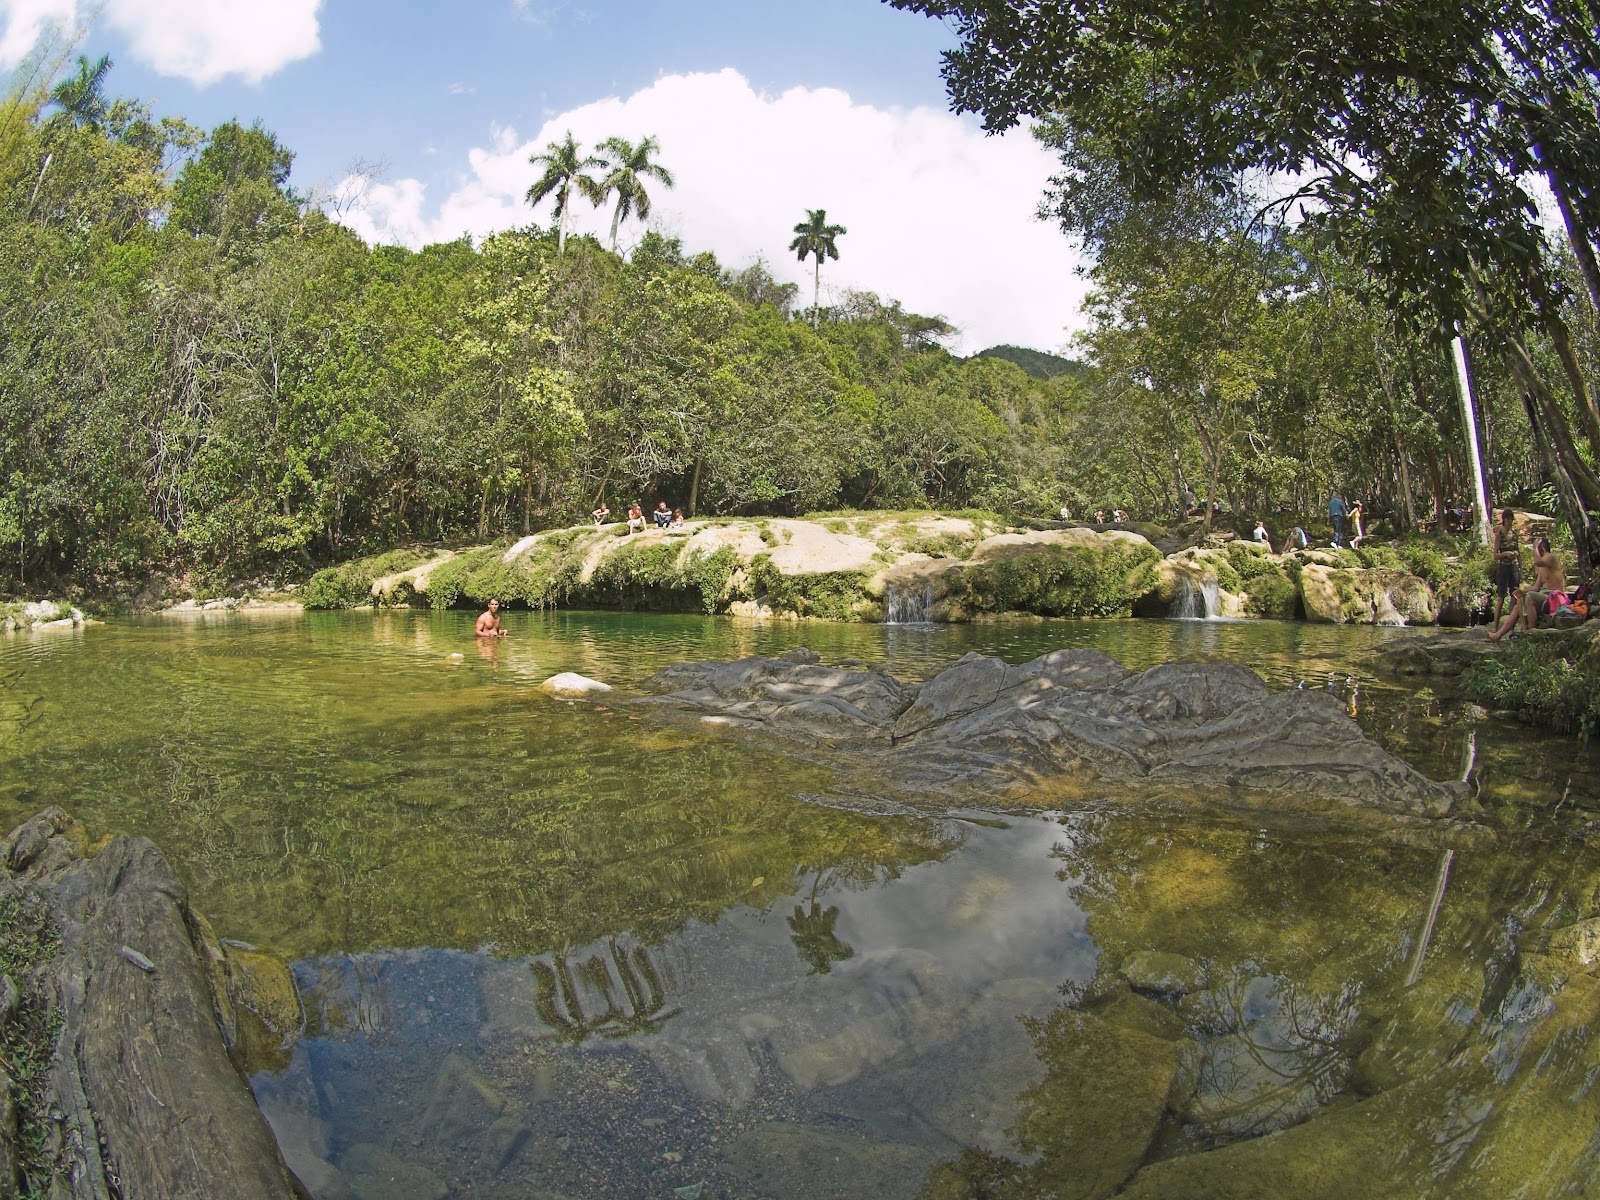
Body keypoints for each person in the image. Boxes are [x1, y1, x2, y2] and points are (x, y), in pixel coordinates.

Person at [1491, 536, 1568, 641]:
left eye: (1538, 549)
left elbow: (1537, 562)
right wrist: (1522, 591)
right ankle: (1499, 635)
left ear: (1543, 549)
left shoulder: (1551, 558)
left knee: (1529, 597)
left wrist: (1535, 547)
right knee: (1519, 601)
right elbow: (1536, 587)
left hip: (1553, 597)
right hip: (1543, 596)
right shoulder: (1542, 569)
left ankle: (1531, 631)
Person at [1490, 507, 1522, 627]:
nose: (1510, 522)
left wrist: (1521, 568)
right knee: (1501, 598)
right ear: (1504, 520)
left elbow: (1518, 552)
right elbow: (1495, 555)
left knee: (1514, 596)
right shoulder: (1500, 535)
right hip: (1503, 568)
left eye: (1511, 519)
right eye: (1508, 519)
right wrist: (1505, 554)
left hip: (1514, 568)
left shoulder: (1514, 535)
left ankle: (1510, 625)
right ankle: (1496, 626)